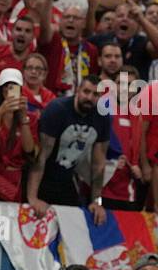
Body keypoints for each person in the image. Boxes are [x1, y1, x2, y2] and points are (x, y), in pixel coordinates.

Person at [26, 74, 109, 224]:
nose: (89, 97)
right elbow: (41, 156)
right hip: (42, 178)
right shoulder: (57, 109)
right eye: (86, 91)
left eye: (95, 94)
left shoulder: (102, 117)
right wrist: (32, 197)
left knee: (75, 225)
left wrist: (97, 202)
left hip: (66, 180)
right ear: (77, 90)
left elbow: (99, 165)